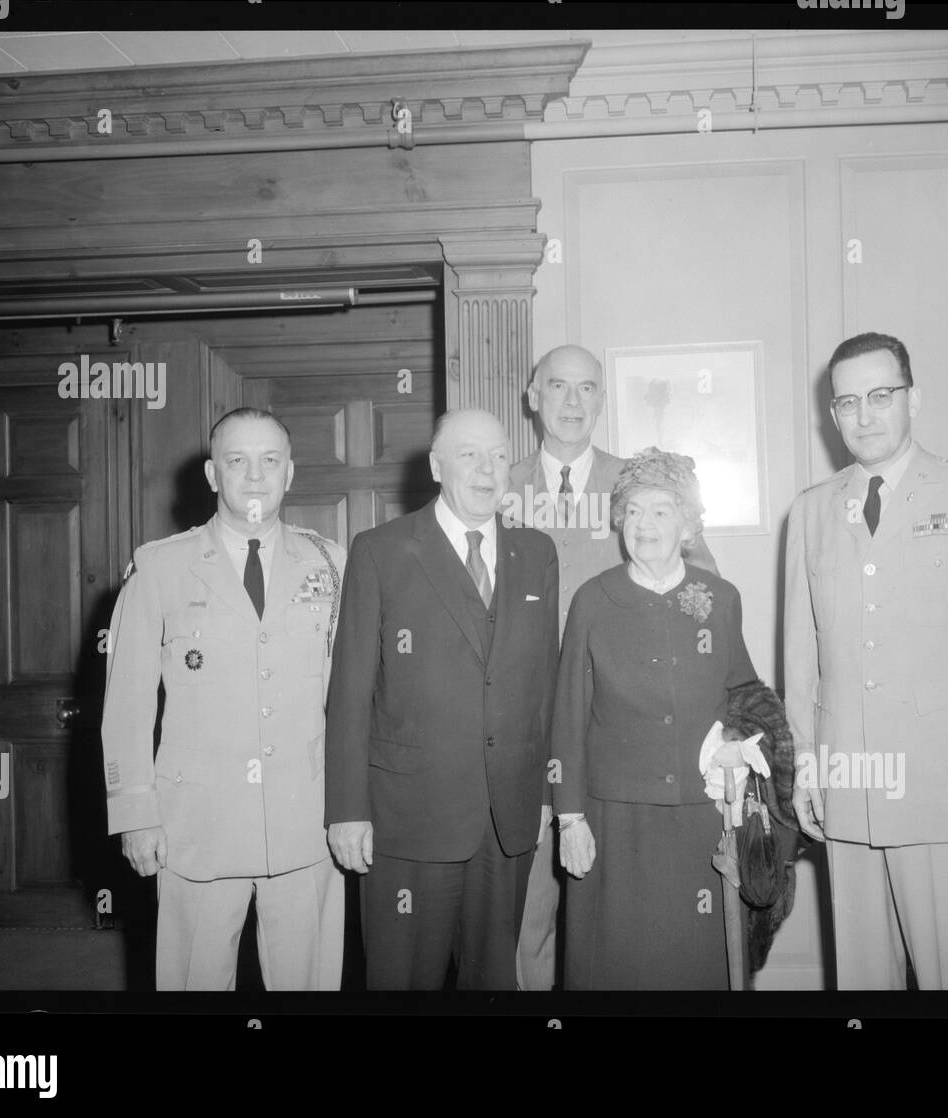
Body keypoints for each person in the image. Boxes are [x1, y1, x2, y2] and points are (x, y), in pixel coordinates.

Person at [785, 332, 948, 989]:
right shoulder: (812, 512)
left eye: (879, 396)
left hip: (944, 785)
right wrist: (804, 768)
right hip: (848, 784)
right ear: (832, 414)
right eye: (846, 403)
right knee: (863, 982)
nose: (863, 416)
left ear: (913, 399)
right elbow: (801, 657)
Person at [101, 407, 347, 990]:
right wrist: (136, 815)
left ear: (291, 473)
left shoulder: (331, 563)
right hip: (197, 827)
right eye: (237, 461)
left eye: (270, 461)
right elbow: (127, 706)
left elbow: (351, 696)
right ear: (213, 475)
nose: (255, 475)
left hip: (304, 822)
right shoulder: (160, 567)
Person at [506, 344, 718, 990]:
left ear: (602, 399)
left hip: (618, 742)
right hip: (519, 735)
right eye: (559, 387)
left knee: (620, 926)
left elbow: (704, 591)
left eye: (588, 389)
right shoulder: (498, 485)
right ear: (532, 397)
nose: (573, 402)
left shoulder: (641, 488)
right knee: (526, 920)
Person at [325, 408, 559, 990]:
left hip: (507, 819)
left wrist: (549, 792)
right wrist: (347, 810)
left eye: (500, 455)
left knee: (494, 981)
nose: (488, 469)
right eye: (469, 455)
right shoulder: (380, 550)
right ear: (436, 465)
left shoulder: (536, 553)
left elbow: (546, 685)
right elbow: (350, 691)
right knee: (403, 980)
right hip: (407, 816)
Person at [552, 448, 758, 989]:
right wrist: (569, 819)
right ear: (619, 520)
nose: (646, 525)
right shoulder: (593, 601)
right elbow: (567, 716)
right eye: (634, 511)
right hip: (614, 821)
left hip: (700, 820)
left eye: (663, 511)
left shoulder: (719, 599)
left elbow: (744, 696)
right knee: (614, 966)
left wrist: (739, 746)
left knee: (694, 966)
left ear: (688, 524)